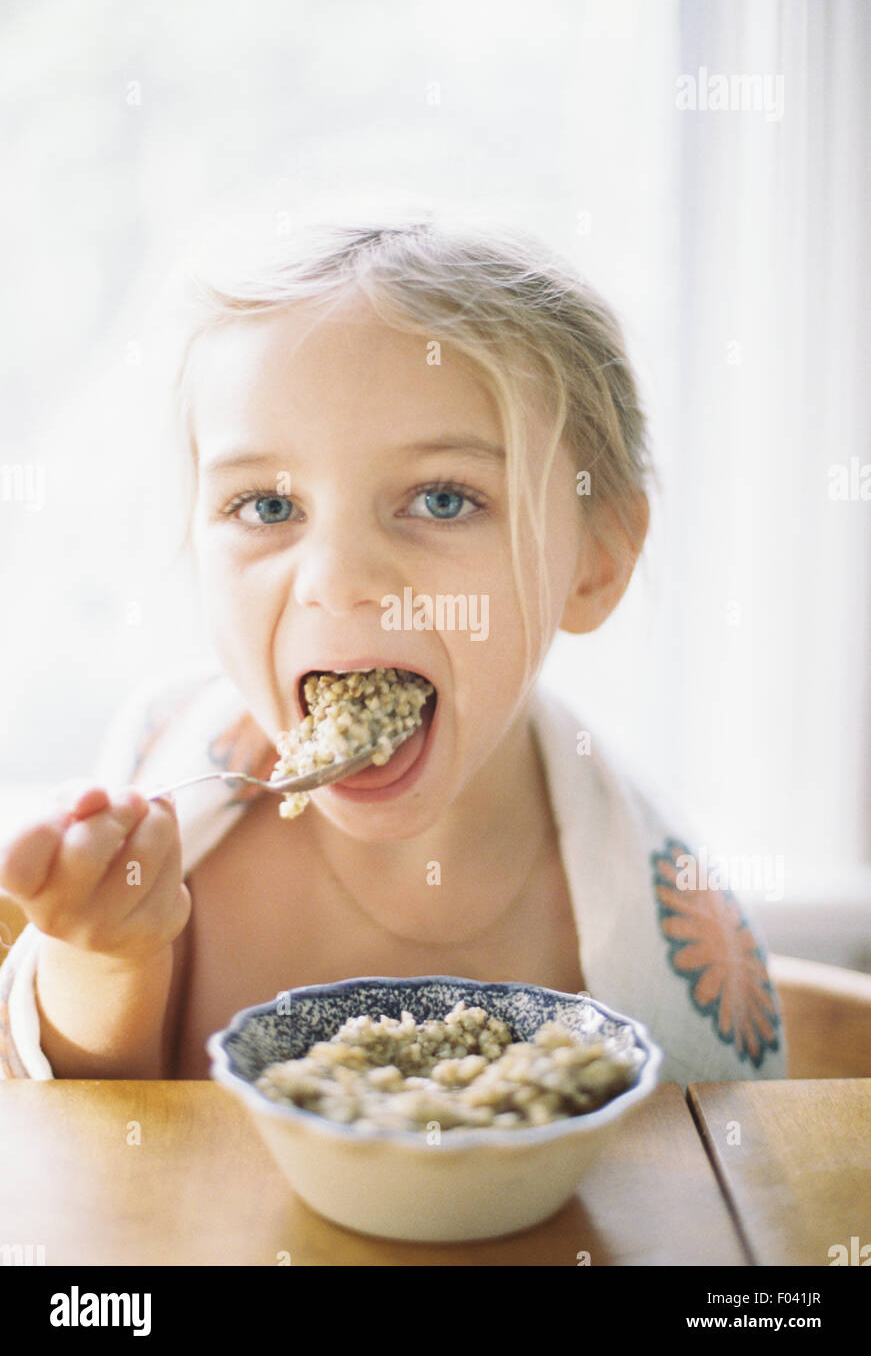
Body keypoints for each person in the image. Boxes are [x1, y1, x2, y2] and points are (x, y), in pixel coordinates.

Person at [0, 203, 786, 1087]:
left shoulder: (648, 924)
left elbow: (698, 1180)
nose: (337, 578)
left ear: (595, 561)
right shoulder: (174, 812)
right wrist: (104, 959)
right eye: (267, 506)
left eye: (443, 499)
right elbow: (87, 1132)